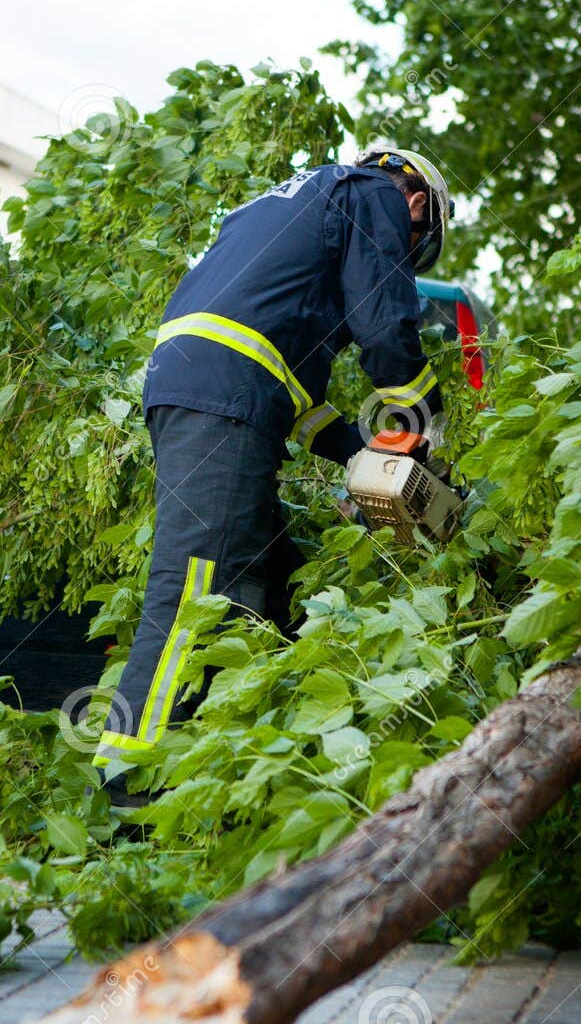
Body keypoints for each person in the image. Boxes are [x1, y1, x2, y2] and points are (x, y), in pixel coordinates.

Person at [93, 145, 453, 786]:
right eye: (412, 245)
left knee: (264, 588)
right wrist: (422, 426)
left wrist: (361, 454)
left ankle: (224, 778)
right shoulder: (373, 194)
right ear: (417, 203)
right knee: (188, 596)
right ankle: (123, 795)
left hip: (212, 391)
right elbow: (384, 329)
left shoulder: (290, 207)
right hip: (223, 400)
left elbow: (291, 392)